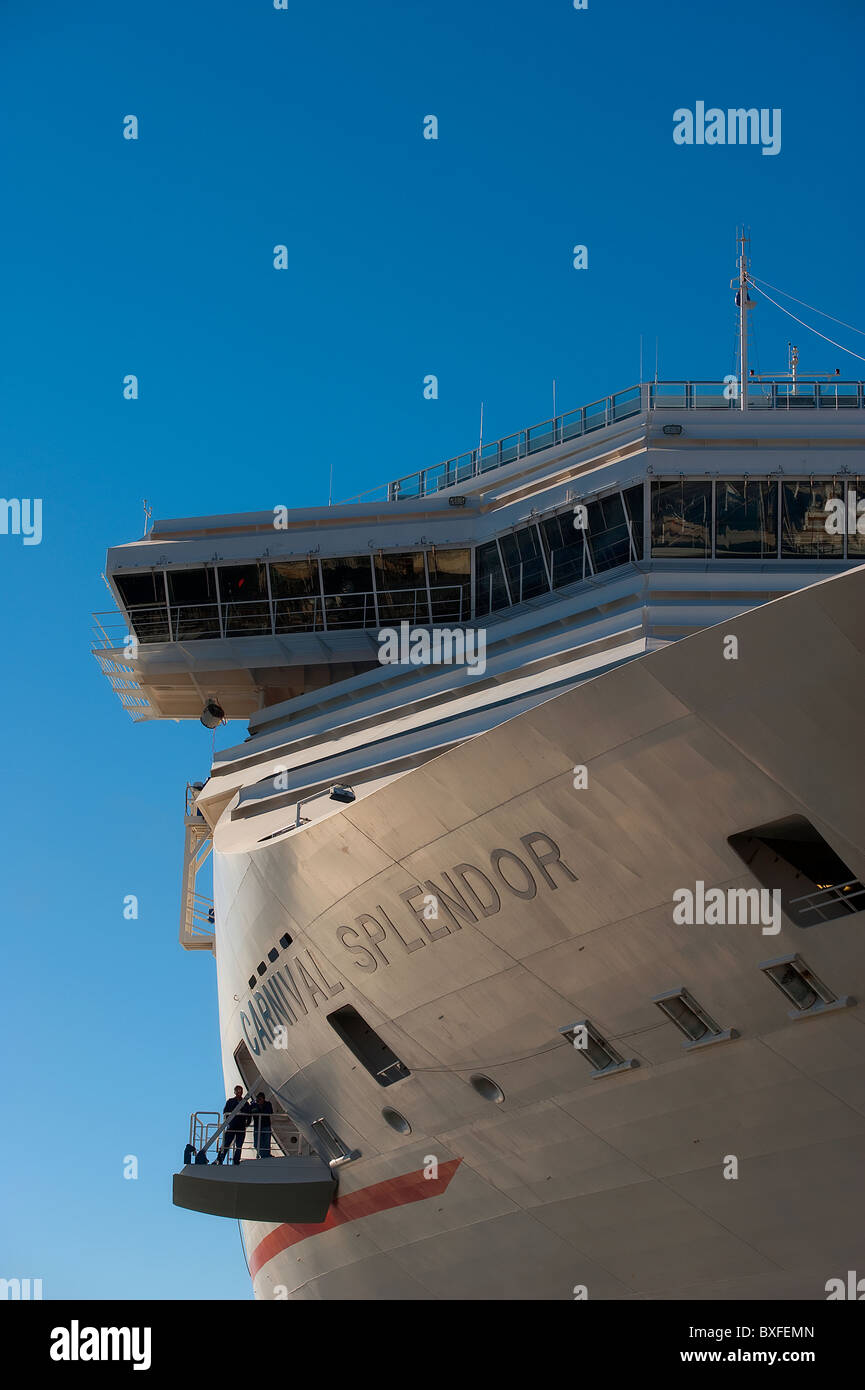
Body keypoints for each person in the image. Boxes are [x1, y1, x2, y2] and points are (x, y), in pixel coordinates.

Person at [216, 1085, 251, 1164]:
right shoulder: (230, 1101)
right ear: (235, 1092)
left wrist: (247, 1123)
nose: (239, 1092)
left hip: (241, 1126)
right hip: (232, 1125)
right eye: (237, 1090)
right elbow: (225, 1112)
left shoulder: (245, 1103)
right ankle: (220, 1158)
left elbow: (249, 1114)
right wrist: (229, 1120)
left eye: (240, 1090)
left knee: (239, 1145)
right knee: (226, 1143)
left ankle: (236, 1160)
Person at [252, 1092, 274, 1158]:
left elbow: (270, 1111)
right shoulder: (254, 1105)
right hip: (257, 1126)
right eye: (258, 1099)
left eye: (260, 1099)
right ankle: (264, 1155)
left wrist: (260, 1109)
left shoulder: (267, 1104)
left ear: (263, 1099)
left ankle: (265, 1156)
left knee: (266, 1143)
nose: (259, 1100)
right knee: (256, 1144)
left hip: (266, 1126)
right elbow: (250, 1112)